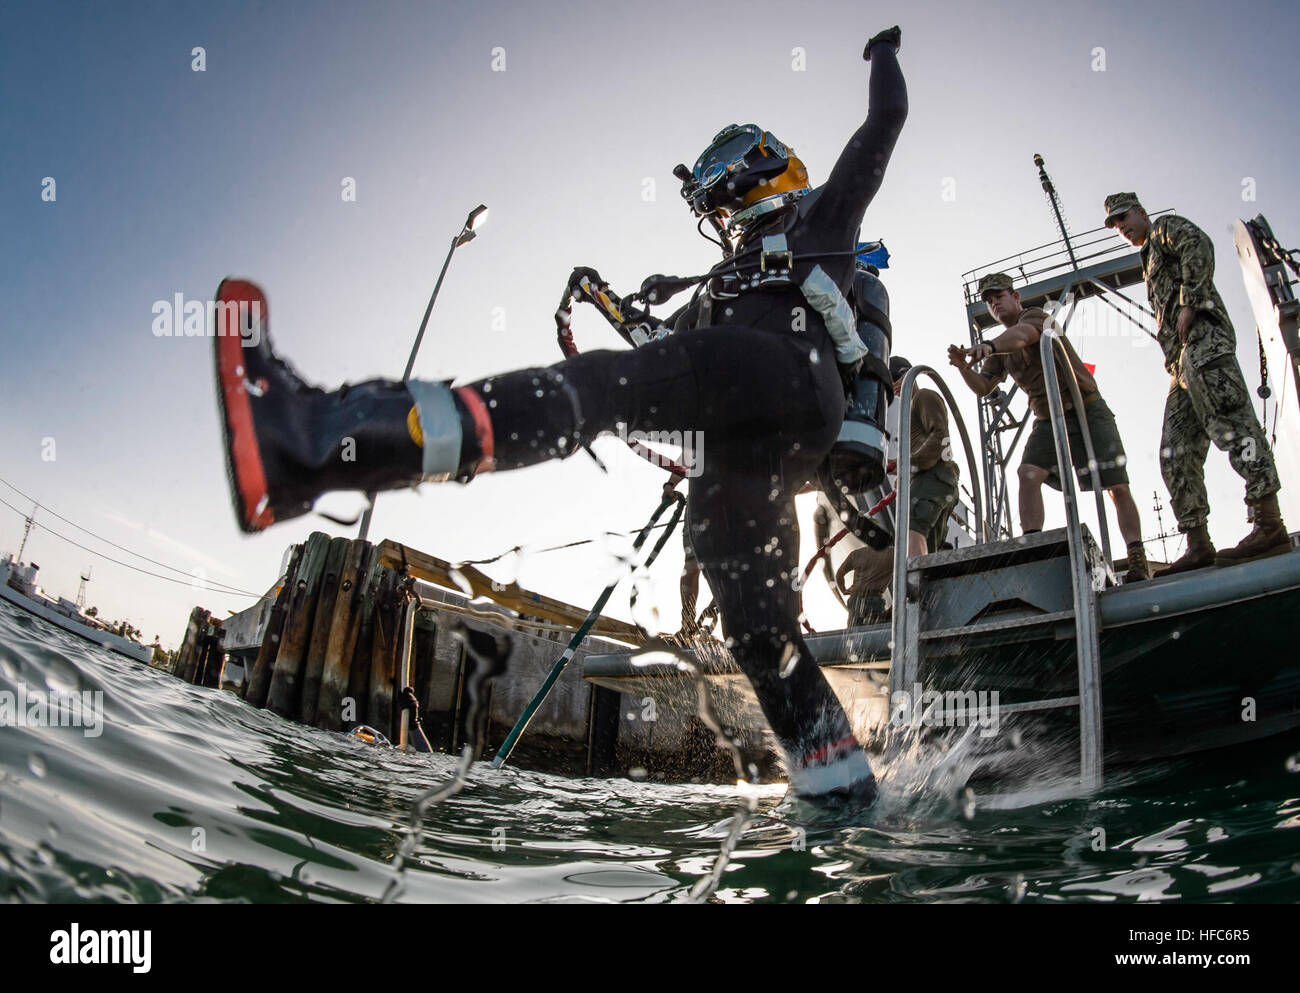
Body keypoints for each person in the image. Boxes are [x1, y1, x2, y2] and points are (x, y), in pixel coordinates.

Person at [214, 29, 909, 805]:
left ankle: (325, 441)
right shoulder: (721, 284)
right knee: (757, 630)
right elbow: (661, 353)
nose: (715, 208)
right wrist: (608, 301)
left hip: (787, 380)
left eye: (719, 186)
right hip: (746, 450)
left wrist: (882, 52)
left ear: (759, 169)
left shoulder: (821, 223)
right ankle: (846, 795)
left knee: (597, 388)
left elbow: (883, 123)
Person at [1105, 193, 1288, 571]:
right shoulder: (1147, 257)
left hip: (1205, 345)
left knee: (1234, 425)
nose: (1122, 227)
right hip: (1180, 366)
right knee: (1175, 451)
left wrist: (1191, 300)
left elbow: (1198, 243)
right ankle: (1198, 542)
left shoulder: (1165, 230)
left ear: (1141, 211)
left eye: (1125, 217)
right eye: (1116, 224)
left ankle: (1269, 523)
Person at [947, 271, 1151, 583]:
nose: (994, 305)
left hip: (1085, 407)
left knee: (1116, 485)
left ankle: (1137, 558)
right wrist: (963, 367)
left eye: (999, 297)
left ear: (1015, 297)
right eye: (988, 302)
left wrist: (988, 345)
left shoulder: (1034, 316)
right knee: (1027, 474)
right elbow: (983, 387)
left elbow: (1025, 335)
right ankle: (1032, 551)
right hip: (1047, 418)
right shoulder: (999, 348)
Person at [835, 355, 959, 622]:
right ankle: (925, 598)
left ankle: (912, 596)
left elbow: (940, 437)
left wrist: (909, 461)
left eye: (894, 382)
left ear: (905, 375)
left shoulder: (924, 396)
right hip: (931, 478)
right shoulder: (912, 407)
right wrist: (897, 464)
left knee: (912, 530)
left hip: (933, 476)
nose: (893, 390)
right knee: (931, 544)